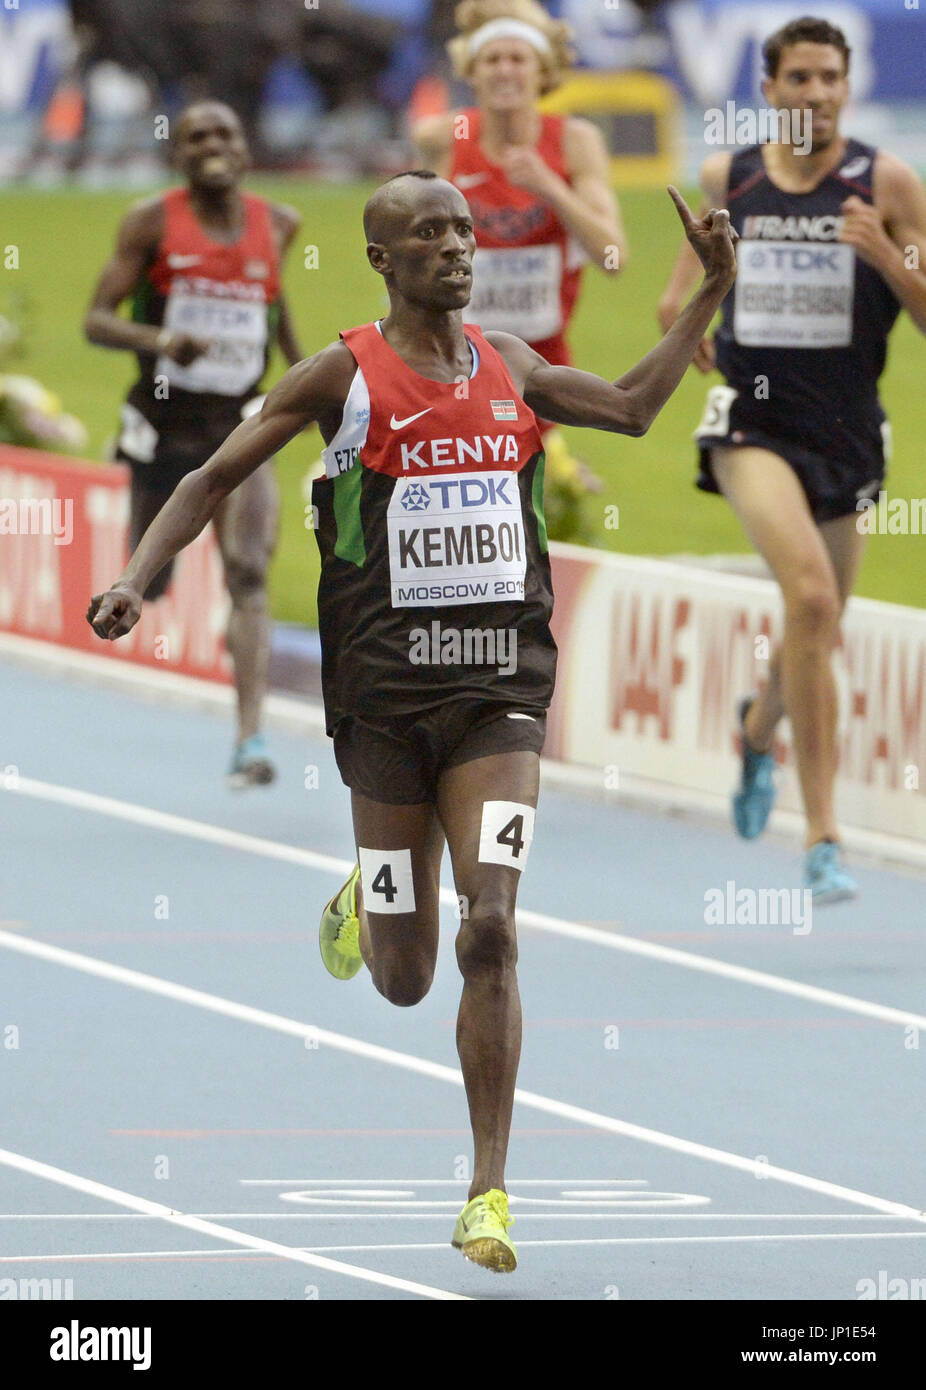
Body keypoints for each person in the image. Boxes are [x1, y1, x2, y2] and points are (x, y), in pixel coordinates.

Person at [88, 169, 737, 1272]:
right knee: (403, 974)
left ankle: (487, 1189)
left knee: (493, 926)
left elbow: (627, 408)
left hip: (500, 693)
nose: (452, 246)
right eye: (424, 233)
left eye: (461, 230)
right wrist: (138, 579)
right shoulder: (340, 373)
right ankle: (368, 887)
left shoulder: (511, 365)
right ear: (381, 259)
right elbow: (204, 477)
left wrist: (705, 295)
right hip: (383, 701)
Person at [657, 16, 926, 901]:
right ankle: (821, 834)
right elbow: (675, 298)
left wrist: (887, 254)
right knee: (810, 597)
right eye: (797, 78)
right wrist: (694, 320)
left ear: (848, 86)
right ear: (766, 90)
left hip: (847, 433)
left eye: (829, 78)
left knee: (818, 620)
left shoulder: (887, 182)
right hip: (752, 424)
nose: (814, 94)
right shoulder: (726, 176)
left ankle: (757, 726)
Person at [84, 100, 303, 786]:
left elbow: (272, 302)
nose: (212, 143)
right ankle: (149, 589)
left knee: (247, 570)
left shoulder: (281, 223)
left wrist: (313, 383)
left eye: (225, 132)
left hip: (240, 422)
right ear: (177, 154)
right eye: (195, 135)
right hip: (163, 424)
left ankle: (250, 739)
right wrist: (160, 340)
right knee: (152, 577)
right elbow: (95, 319)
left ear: (244, 147)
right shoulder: (149, 221)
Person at [413, 0, 627, 537]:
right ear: (472, 71)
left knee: (549, 524)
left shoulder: (574, 142)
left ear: (543, 72)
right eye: (493, 59)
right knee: (460, 513)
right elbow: (403, 249)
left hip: (539, 364)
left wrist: (550, 187)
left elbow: (613, 258)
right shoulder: (445, 138)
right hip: (451, 355)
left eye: (518, 58)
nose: (506, 70)